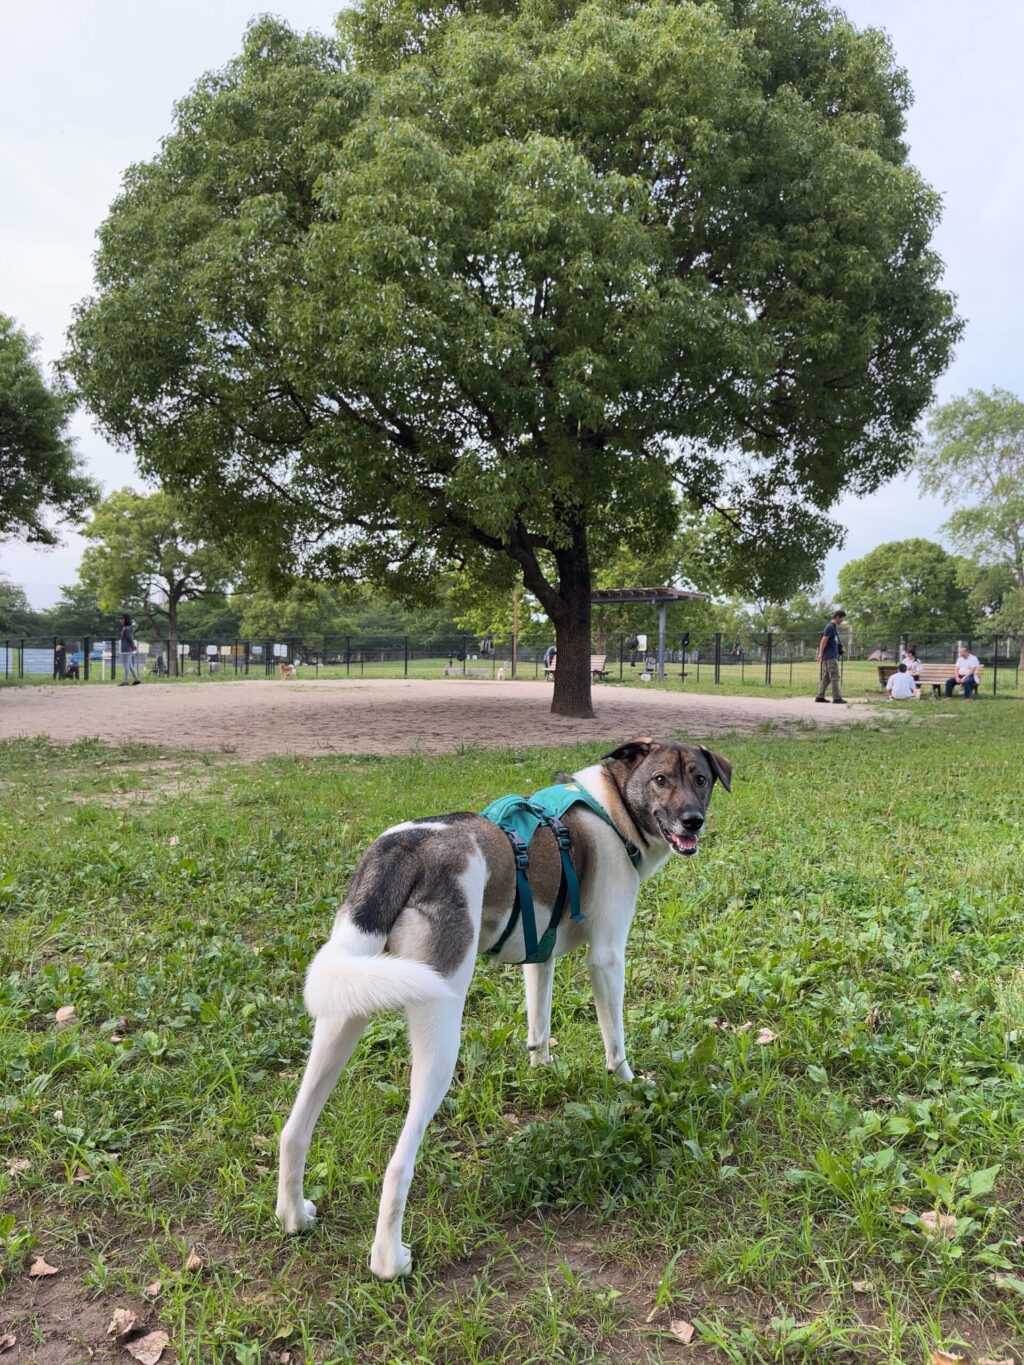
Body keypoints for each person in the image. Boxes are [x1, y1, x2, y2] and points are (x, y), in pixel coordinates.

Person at [814, 609, 847, 704]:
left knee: (827, 677)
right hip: (830, 657)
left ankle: (819, 696)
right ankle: (837, 698)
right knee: (835, 676)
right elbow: (824, 640)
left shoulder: (833, 627)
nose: (842, 621)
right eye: (842, 619)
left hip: (831, 656)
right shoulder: (829, 627)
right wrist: (820, 653)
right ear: (837, 617)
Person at [118, 613, 142, 686]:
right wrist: (133, 647)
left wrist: (133, 646)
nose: (120, 620)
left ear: (126, 619)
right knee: (130, 665)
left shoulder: (127, 628)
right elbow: (130, 638)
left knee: (126, 665)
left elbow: (129, 639)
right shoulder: (128, 627)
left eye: (122, 618)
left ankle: (126, 681)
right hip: (128, 649)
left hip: (126, 649)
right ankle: (136, 679)